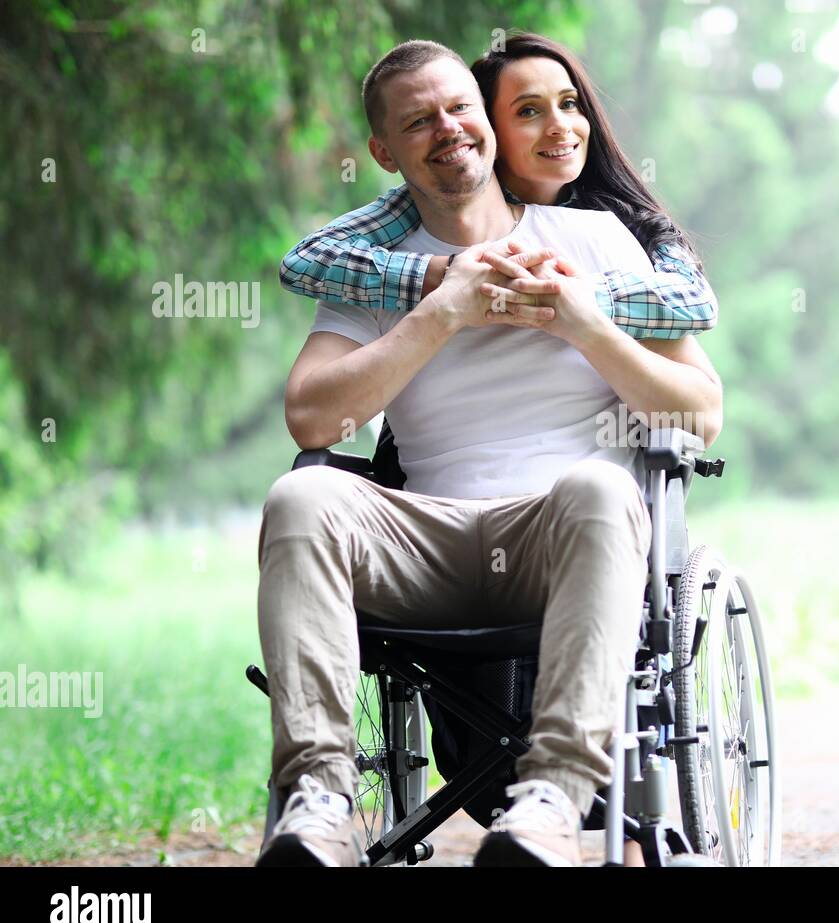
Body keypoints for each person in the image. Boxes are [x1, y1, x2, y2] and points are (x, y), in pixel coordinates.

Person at [254, 38, 722, 868]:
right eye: (418, 122)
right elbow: (312, 420)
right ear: (384, 151)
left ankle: (552, 799)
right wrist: (445, 309)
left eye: (460, 109)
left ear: (489, 125)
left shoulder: (595, 239)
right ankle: (319, 799)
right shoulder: (379, 272)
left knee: (601, 489)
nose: (447, 130)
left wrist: (584, 322)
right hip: (423, 540)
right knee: (303, 498)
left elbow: (702, 413)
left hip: (560, 532)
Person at [278, 32, 716, 342]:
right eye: (528, 112)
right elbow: (307, 259)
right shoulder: (431, 206)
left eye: (569, 104)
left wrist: (558, 294)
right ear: (488, 124)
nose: (561, 126)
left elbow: (695, 303)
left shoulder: (622, 223)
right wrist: (444, 276)